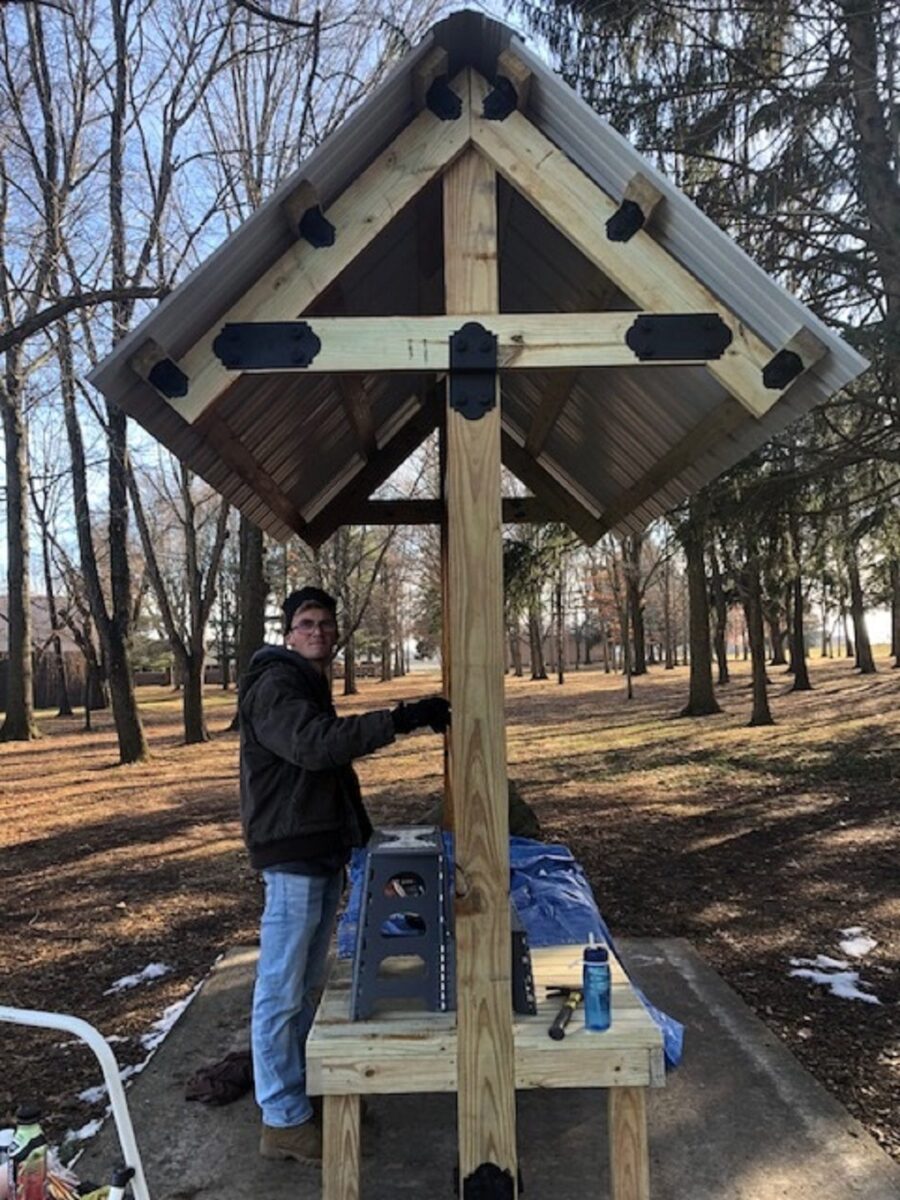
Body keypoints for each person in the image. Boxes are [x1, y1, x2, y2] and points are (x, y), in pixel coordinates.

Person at [238, 585, 449, 1166]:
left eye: (327, 625)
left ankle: (300, 1095)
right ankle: (281, 1119)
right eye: (307, 623)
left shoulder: (307, 684)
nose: (319, 633)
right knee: (280, 989)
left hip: (319, 849)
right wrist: (402, 719)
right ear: (288, 634)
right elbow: (316, 749)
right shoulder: (275, 685)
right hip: (291, 856)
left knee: (304, 984)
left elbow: (331, 779)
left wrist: (364, 847)